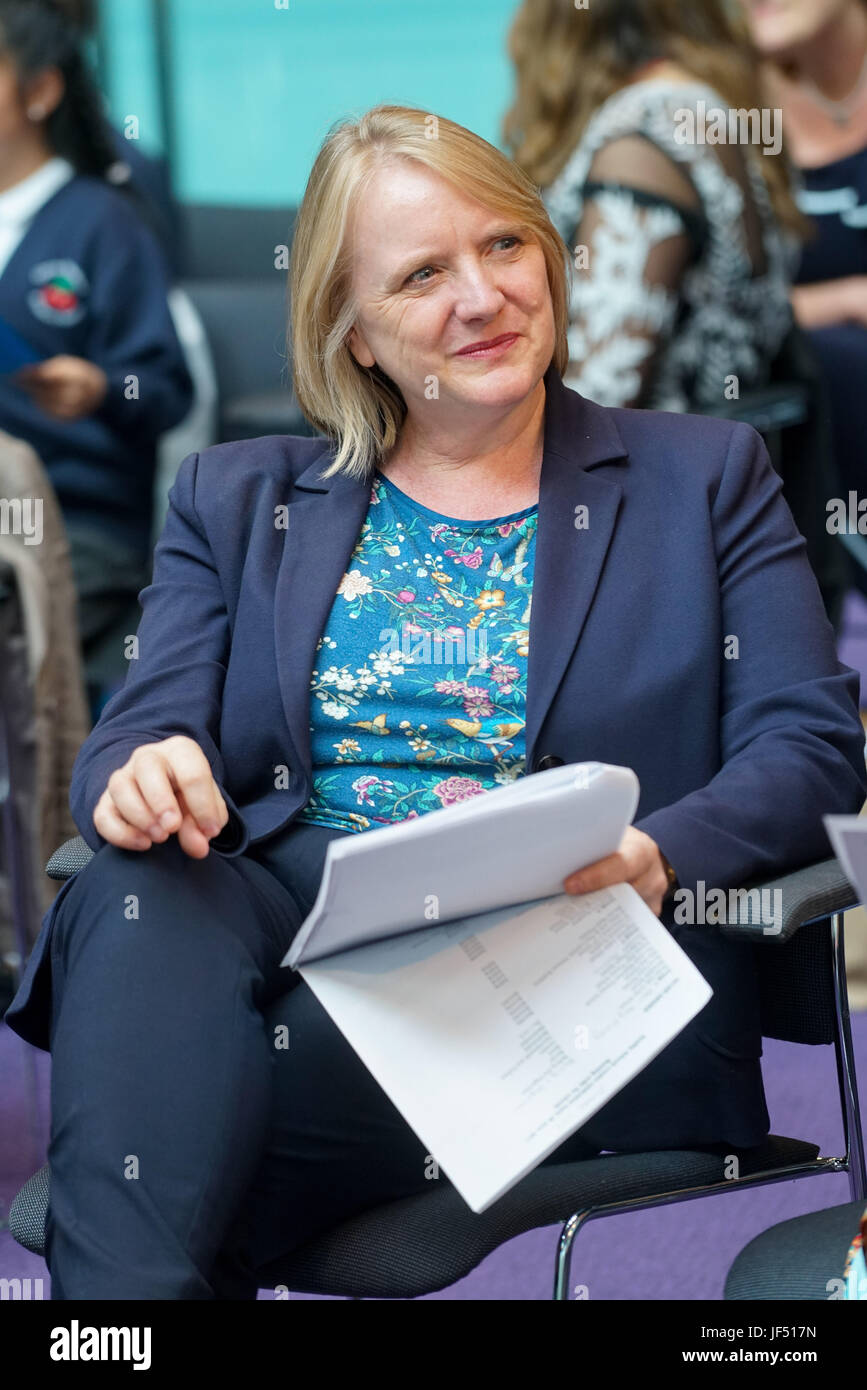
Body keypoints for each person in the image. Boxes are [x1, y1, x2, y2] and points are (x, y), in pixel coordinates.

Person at [5, 103, 866, 1301]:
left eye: (505, 245)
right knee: (137, 878)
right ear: (353, 335)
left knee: (160, 1136)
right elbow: (140, 728)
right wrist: (139, 770)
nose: (483, 296)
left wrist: (662, 852)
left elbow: (814, 743)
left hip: (565, 973)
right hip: (295, 931)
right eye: (422, 274)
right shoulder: (239, 497)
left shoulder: (701, 476)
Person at [503, 0, 849, 625]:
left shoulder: (644, 135)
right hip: (712, 509)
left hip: (646, 537)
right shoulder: (701, 104)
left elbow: (600, 393)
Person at [0, 0, 193, 713]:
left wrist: (102, 389)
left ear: (40, 91)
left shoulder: (103, 223)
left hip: (70, 520)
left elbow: (165, 388)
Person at [744, 0, 867, 594]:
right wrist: (843, 299)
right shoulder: (721, 107)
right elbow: (705, 319)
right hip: (820, 431)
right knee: (837, 355)